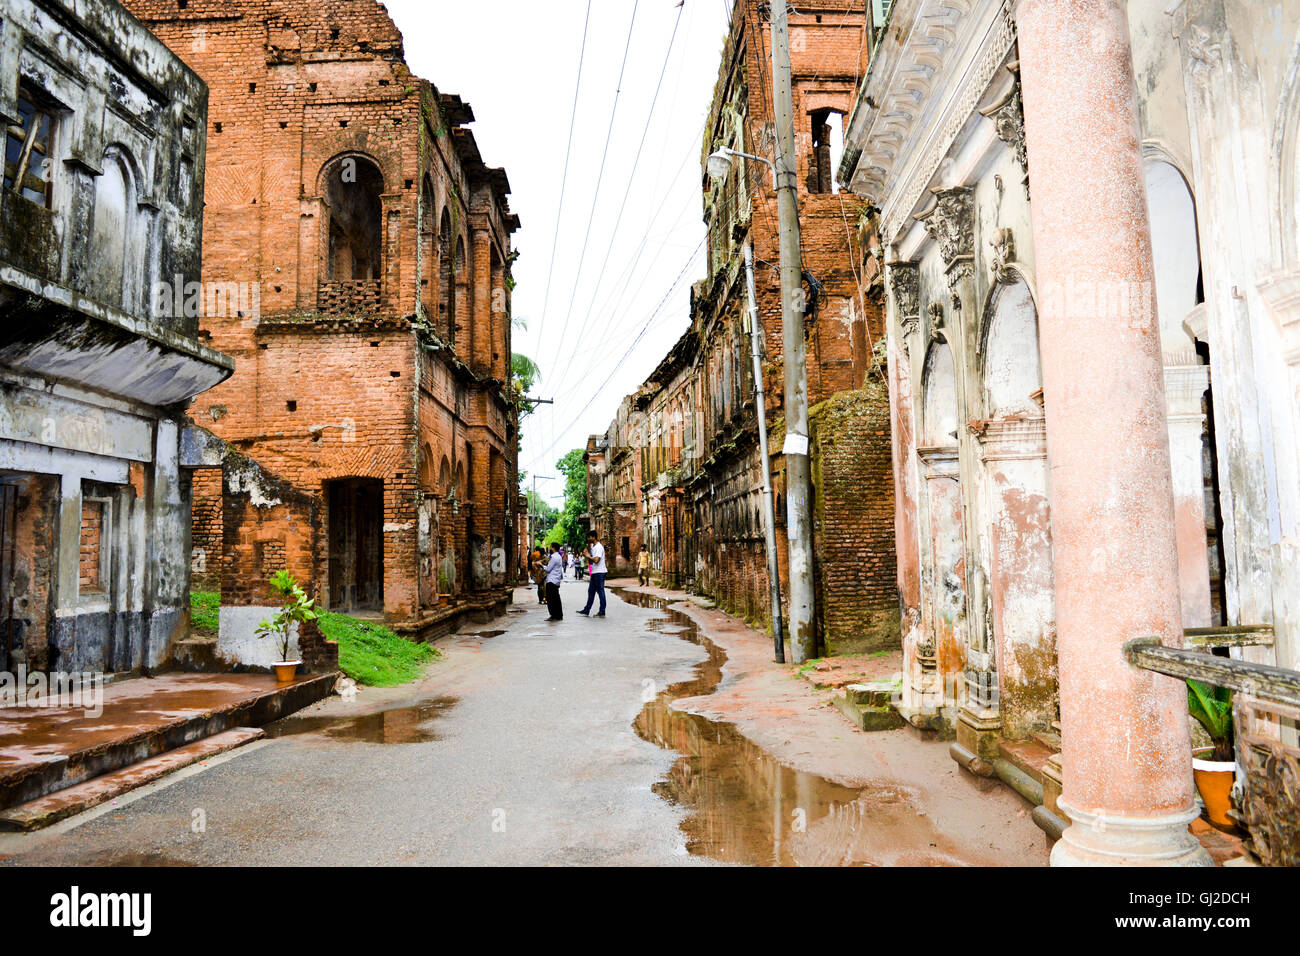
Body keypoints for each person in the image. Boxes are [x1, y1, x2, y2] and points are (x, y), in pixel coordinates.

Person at [577, 531, 607, 618]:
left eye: (589, 537)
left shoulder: (598, 547)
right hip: (595, 572)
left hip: (599, 572)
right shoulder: (593, 547)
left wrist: (588, 555)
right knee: (591, 592)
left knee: (600, 592)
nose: (588, 539)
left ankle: (602, 612)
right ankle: (586, 610)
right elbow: (591, 561)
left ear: (593, 537)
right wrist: (587, 555)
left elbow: (596, 560)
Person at [544, 542, 565, 621]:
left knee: (550, 599)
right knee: (556, 598)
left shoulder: (553, 557)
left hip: (551, 580)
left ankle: (553, 615)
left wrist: (541, 565)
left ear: (553, 548)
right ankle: (559, 615)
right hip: (556, 580)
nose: (550, 548)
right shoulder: (559, 557)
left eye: (550, 547)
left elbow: (548, 569)